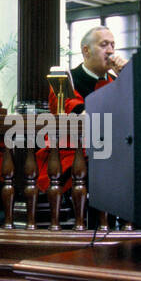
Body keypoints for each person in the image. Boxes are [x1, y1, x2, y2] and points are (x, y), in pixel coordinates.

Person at [36, 26, 127, 194]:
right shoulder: (65, 81)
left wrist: (127, 78)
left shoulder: (117, 81)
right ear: (86, 50)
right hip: (74, 151)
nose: (110, 51)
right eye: (104, 45)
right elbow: (82, 115)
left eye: (113, 46)